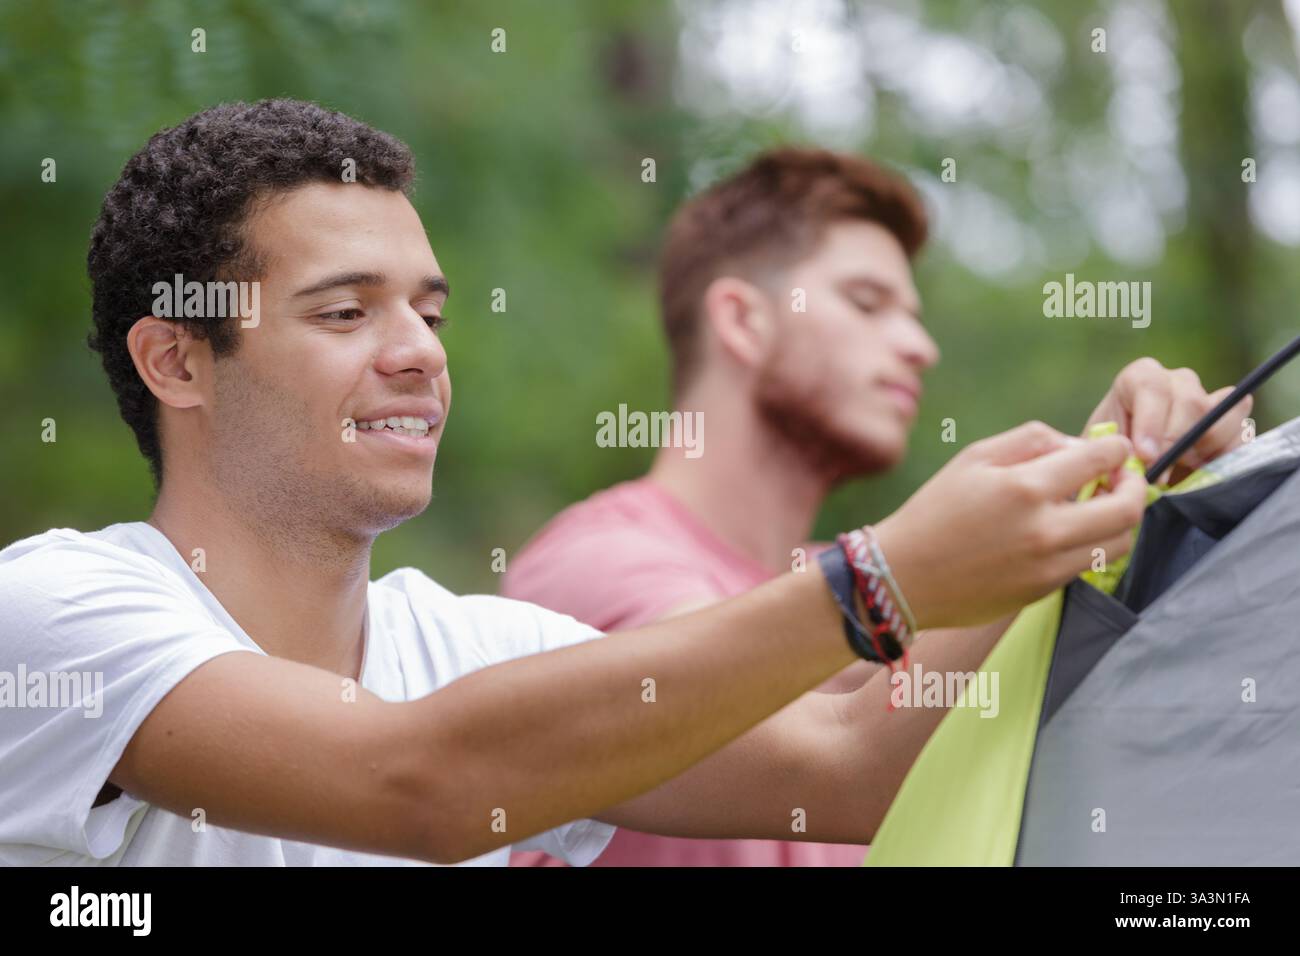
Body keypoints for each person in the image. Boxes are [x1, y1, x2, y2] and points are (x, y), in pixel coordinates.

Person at [0, 100, 1239, 867]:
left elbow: (845, 766)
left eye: (429, 311)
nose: (420, 350)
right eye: (343, 311)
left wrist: (1093, 492)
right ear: (177, 360)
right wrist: (887, 575)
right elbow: (418, 784)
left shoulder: (476, 643)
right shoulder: (55, 610)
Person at [503, 147, 1254, 866]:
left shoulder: (858, 588)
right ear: (742, 320)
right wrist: (1078, 482)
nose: (920, 345)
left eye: (914, 314)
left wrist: (1117, 473)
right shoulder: (590, 567)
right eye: (868, 302)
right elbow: (834, 735)